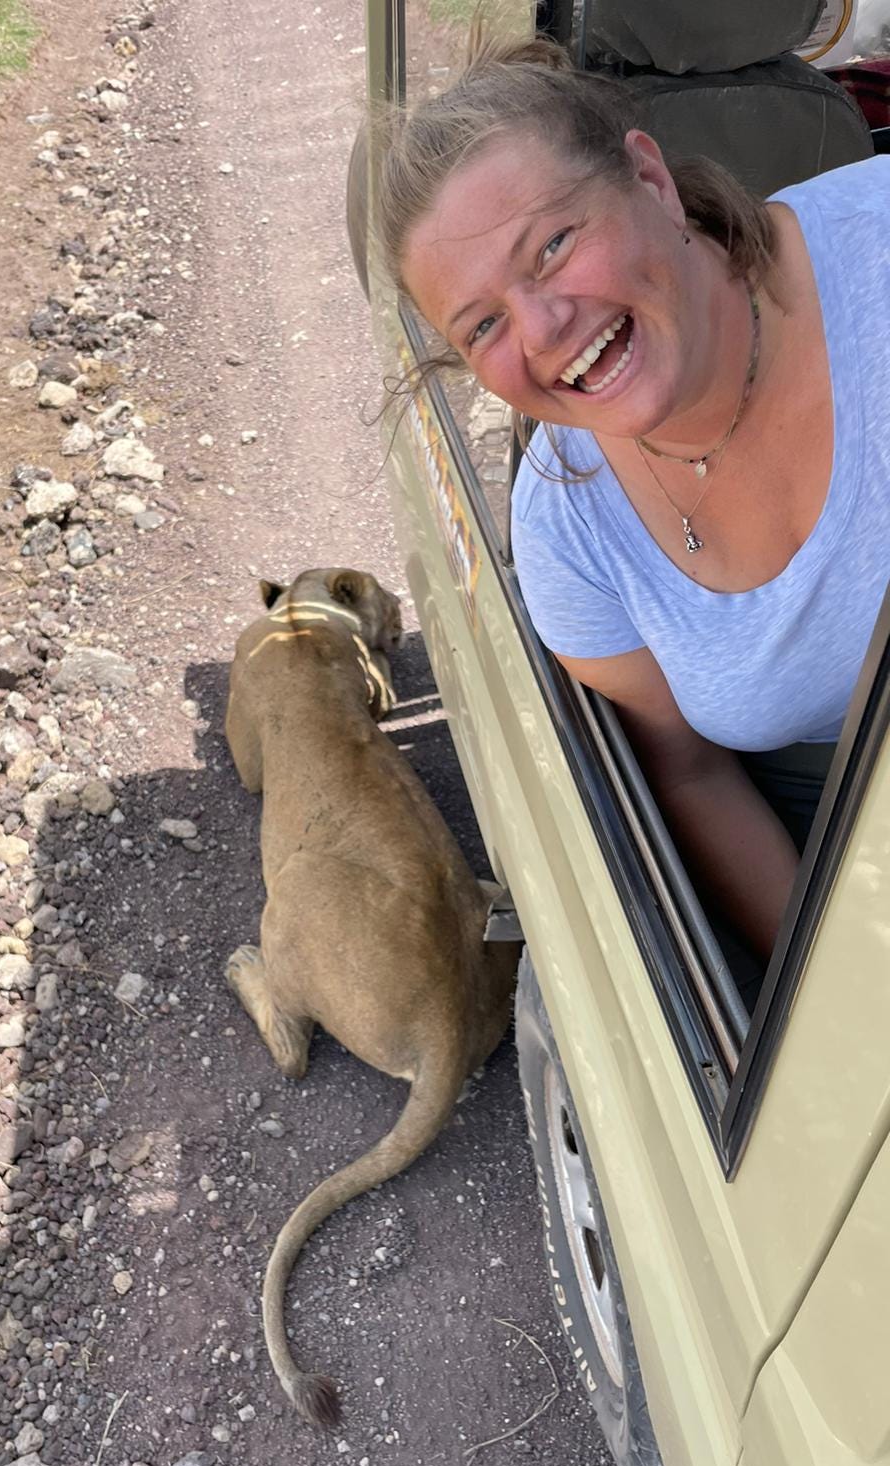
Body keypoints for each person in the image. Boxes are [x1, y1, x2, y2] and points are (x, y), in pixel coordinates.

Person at [375, 35, 890, 971]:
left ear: (649, 180)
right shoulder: (569, 536)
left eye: (554, 247)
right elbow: (691, 772)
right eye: (483, 324)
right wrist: (845, 1006)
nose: (541, 329)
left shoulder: (878, 249)